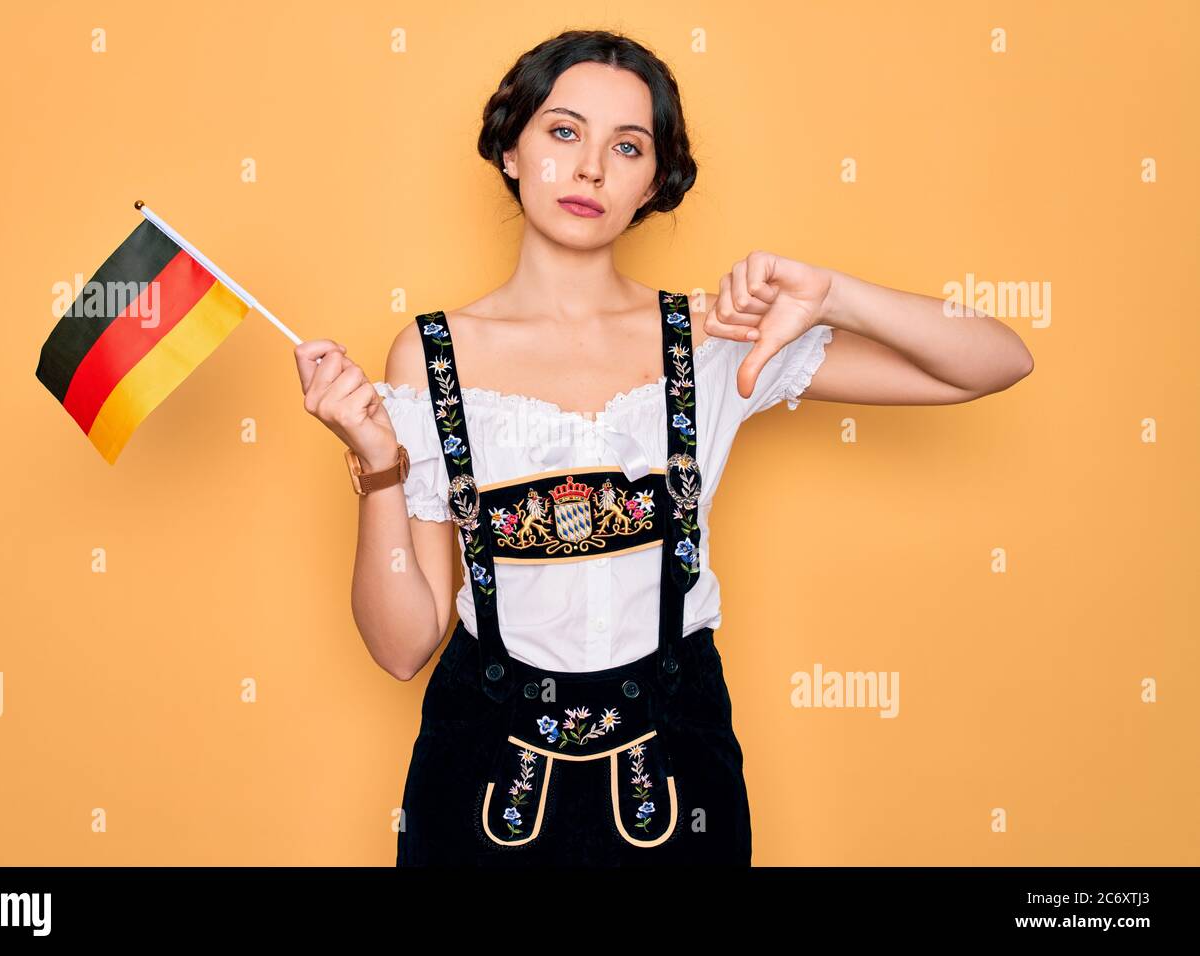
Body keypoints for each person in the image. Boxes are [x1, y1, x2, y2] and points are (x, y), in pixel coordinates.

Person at [292, 29, 1034, 866]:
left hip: (679, 773)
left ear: (654, 181)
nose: (591, 170)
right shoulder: (428, 356)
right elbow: (401, 646)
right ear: (510, 146)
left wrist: (835, 294)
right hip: (481, 777)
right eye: (563, 132)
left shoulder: (714, 337)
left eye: (628, 146)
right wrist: (377, 464)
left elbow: (994, 362)